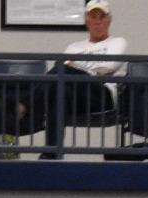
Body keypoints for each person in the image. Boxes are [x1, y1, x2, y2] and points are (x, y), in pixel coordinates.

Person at [43, 0, 127, 158]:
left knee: (63, 70)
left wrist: (77, 68)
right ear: (86, 20)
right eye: (93, 16)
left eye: (102, 16)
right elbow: (65, 72)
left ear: (109, 20)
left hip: (102, 95)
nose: (97, 21)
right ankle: (52, 153)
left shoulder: (118, 42)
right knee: (61, 91)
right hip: (76, 96)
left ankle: (25, 103)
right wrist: (79, 70)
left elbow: (107, 69)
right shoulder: (74, 46)